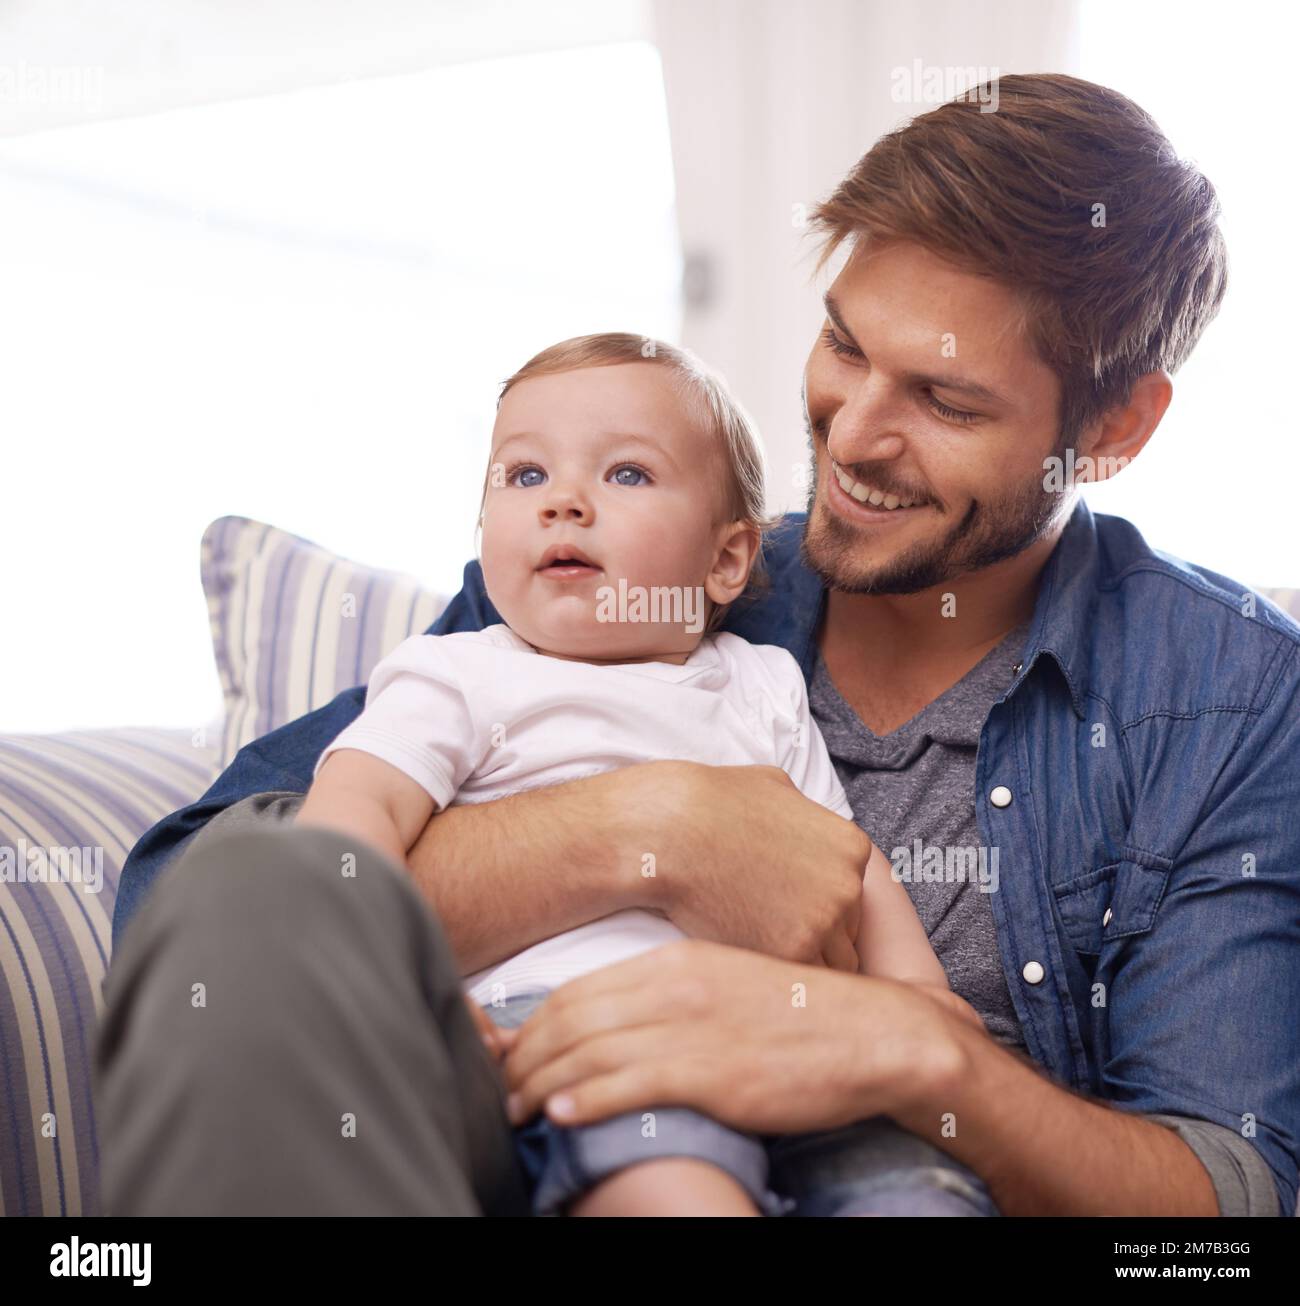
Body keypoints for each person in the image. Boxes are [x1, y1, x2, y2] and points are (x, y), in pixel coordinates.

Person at [97, 73, 1298, 1218]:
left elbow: (1225, 1213)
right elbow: (194, 913)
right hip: (512, 1122)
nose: (854, 437)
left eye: (945, 401)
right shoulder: (634, 579)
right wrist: (649, 831)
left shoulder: (1228, 697)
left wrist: (916, 1057)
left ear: (1114, 427)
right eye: (842, 347)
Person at [292, 330, 989, 1216]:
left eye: (624, 475)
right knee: (673, 1177)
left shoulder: (763, 684)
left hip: (780, 1039)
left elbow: (844, 861)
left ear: (726, 559)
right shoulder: (458, 675)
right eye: (523, 475)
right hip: (569, 1032)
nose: (564, 504)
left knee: (921, 1192)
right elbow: (345, 828)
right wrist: (388, 981)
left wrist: (918, 1004)